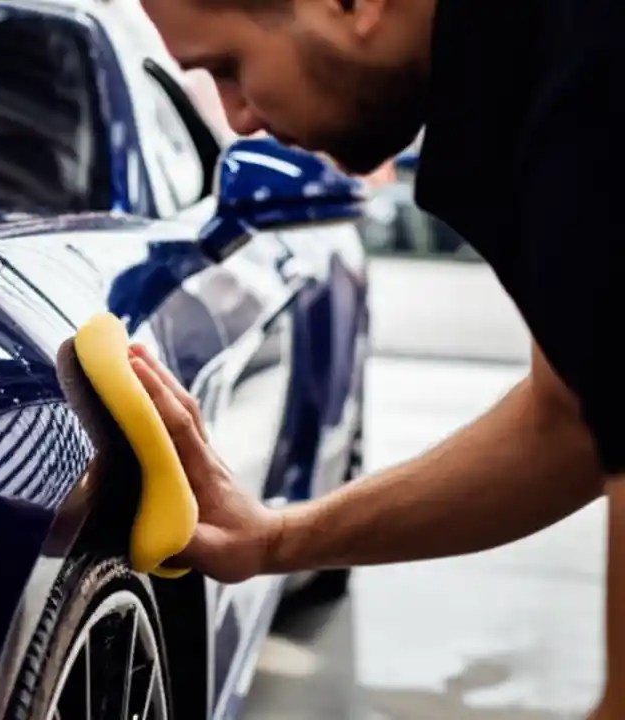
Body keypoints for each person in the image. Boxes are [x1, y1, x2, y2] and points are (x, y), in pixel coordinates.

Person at [134, 0, 623, 716]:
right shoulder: (539, 67)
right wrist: (274, 539)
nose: (236, 120)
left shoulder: (597, 94)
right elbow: (567, 421)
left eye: (229, 66)